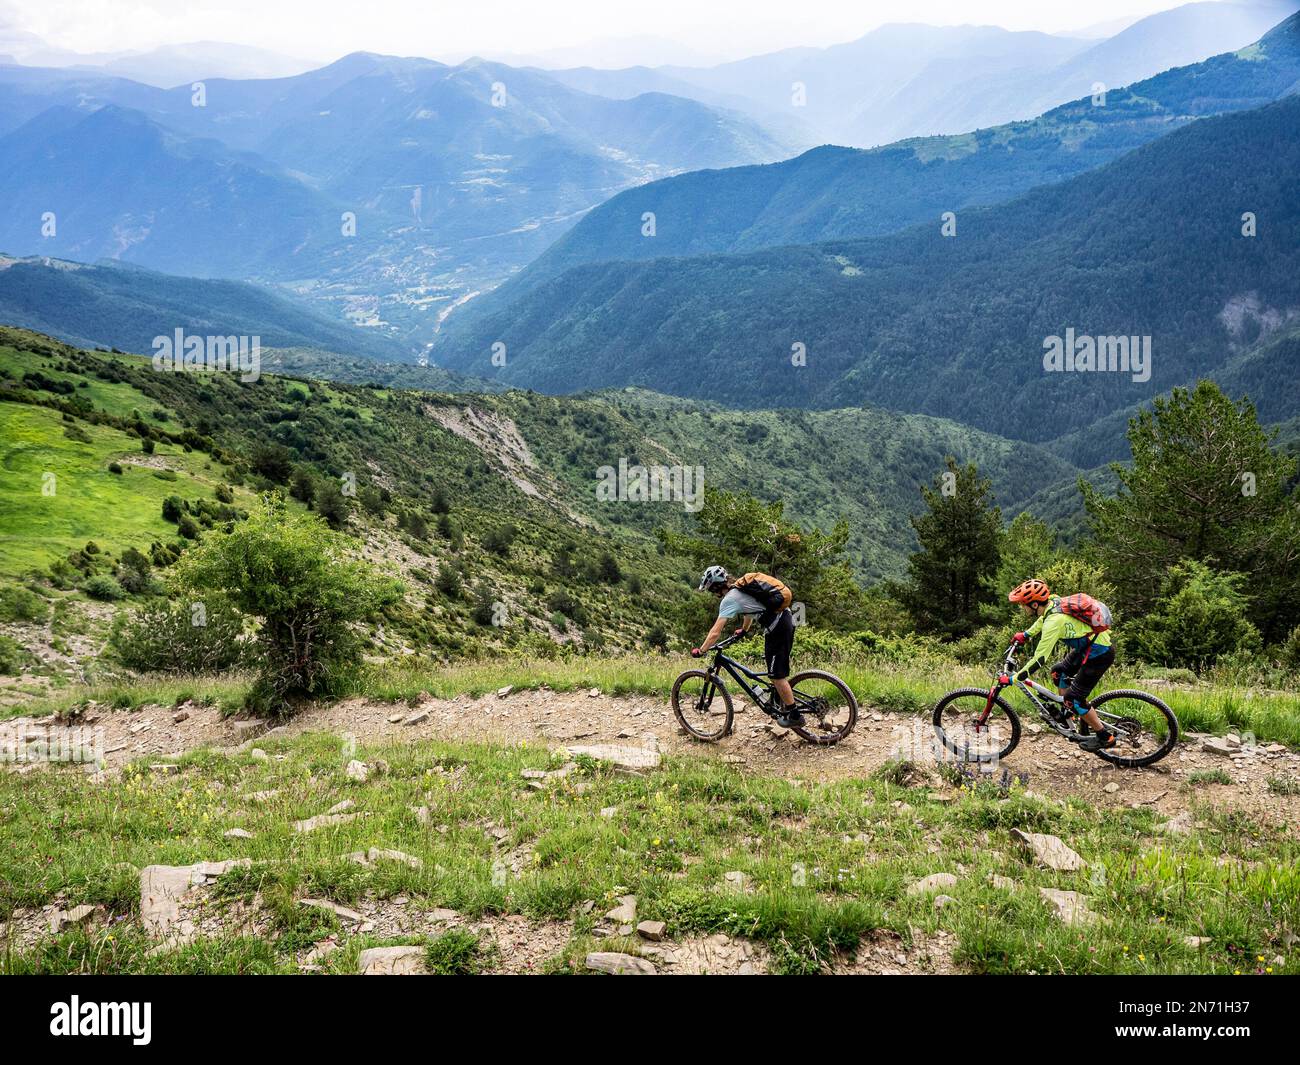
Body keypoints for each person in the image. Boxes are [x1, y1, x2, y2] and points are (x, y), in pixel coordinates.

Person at [1004, 578, 1116, 752]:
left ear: (1034, 605)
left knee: (1075, 699)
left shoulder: (1054, 622)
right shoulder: (1052, 602)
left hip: (1099, 654)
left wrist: (1014, 678)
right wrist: (1026, 634)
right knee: (1058, 672)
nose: (1022, 607)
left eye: (1023, 604)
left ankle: (1105, 737)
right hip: (1087, 647)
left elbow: (1039, 659)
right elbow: (1043, 619)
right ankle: (1067, 712)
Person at [691, 565, 800, 727]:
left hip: (778, 626)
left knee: (777, 675)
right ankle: (778, 701)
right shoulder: (740, 588)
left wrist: (702, 650)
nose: (713, 594)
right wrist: (744, 630)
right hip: (785, 619)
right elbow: (749, 611)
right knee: (773, 668)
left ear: (715, 587)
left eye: (711, 590)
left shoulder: (728, 600)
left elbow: (715, 632)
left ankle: (795, 715)